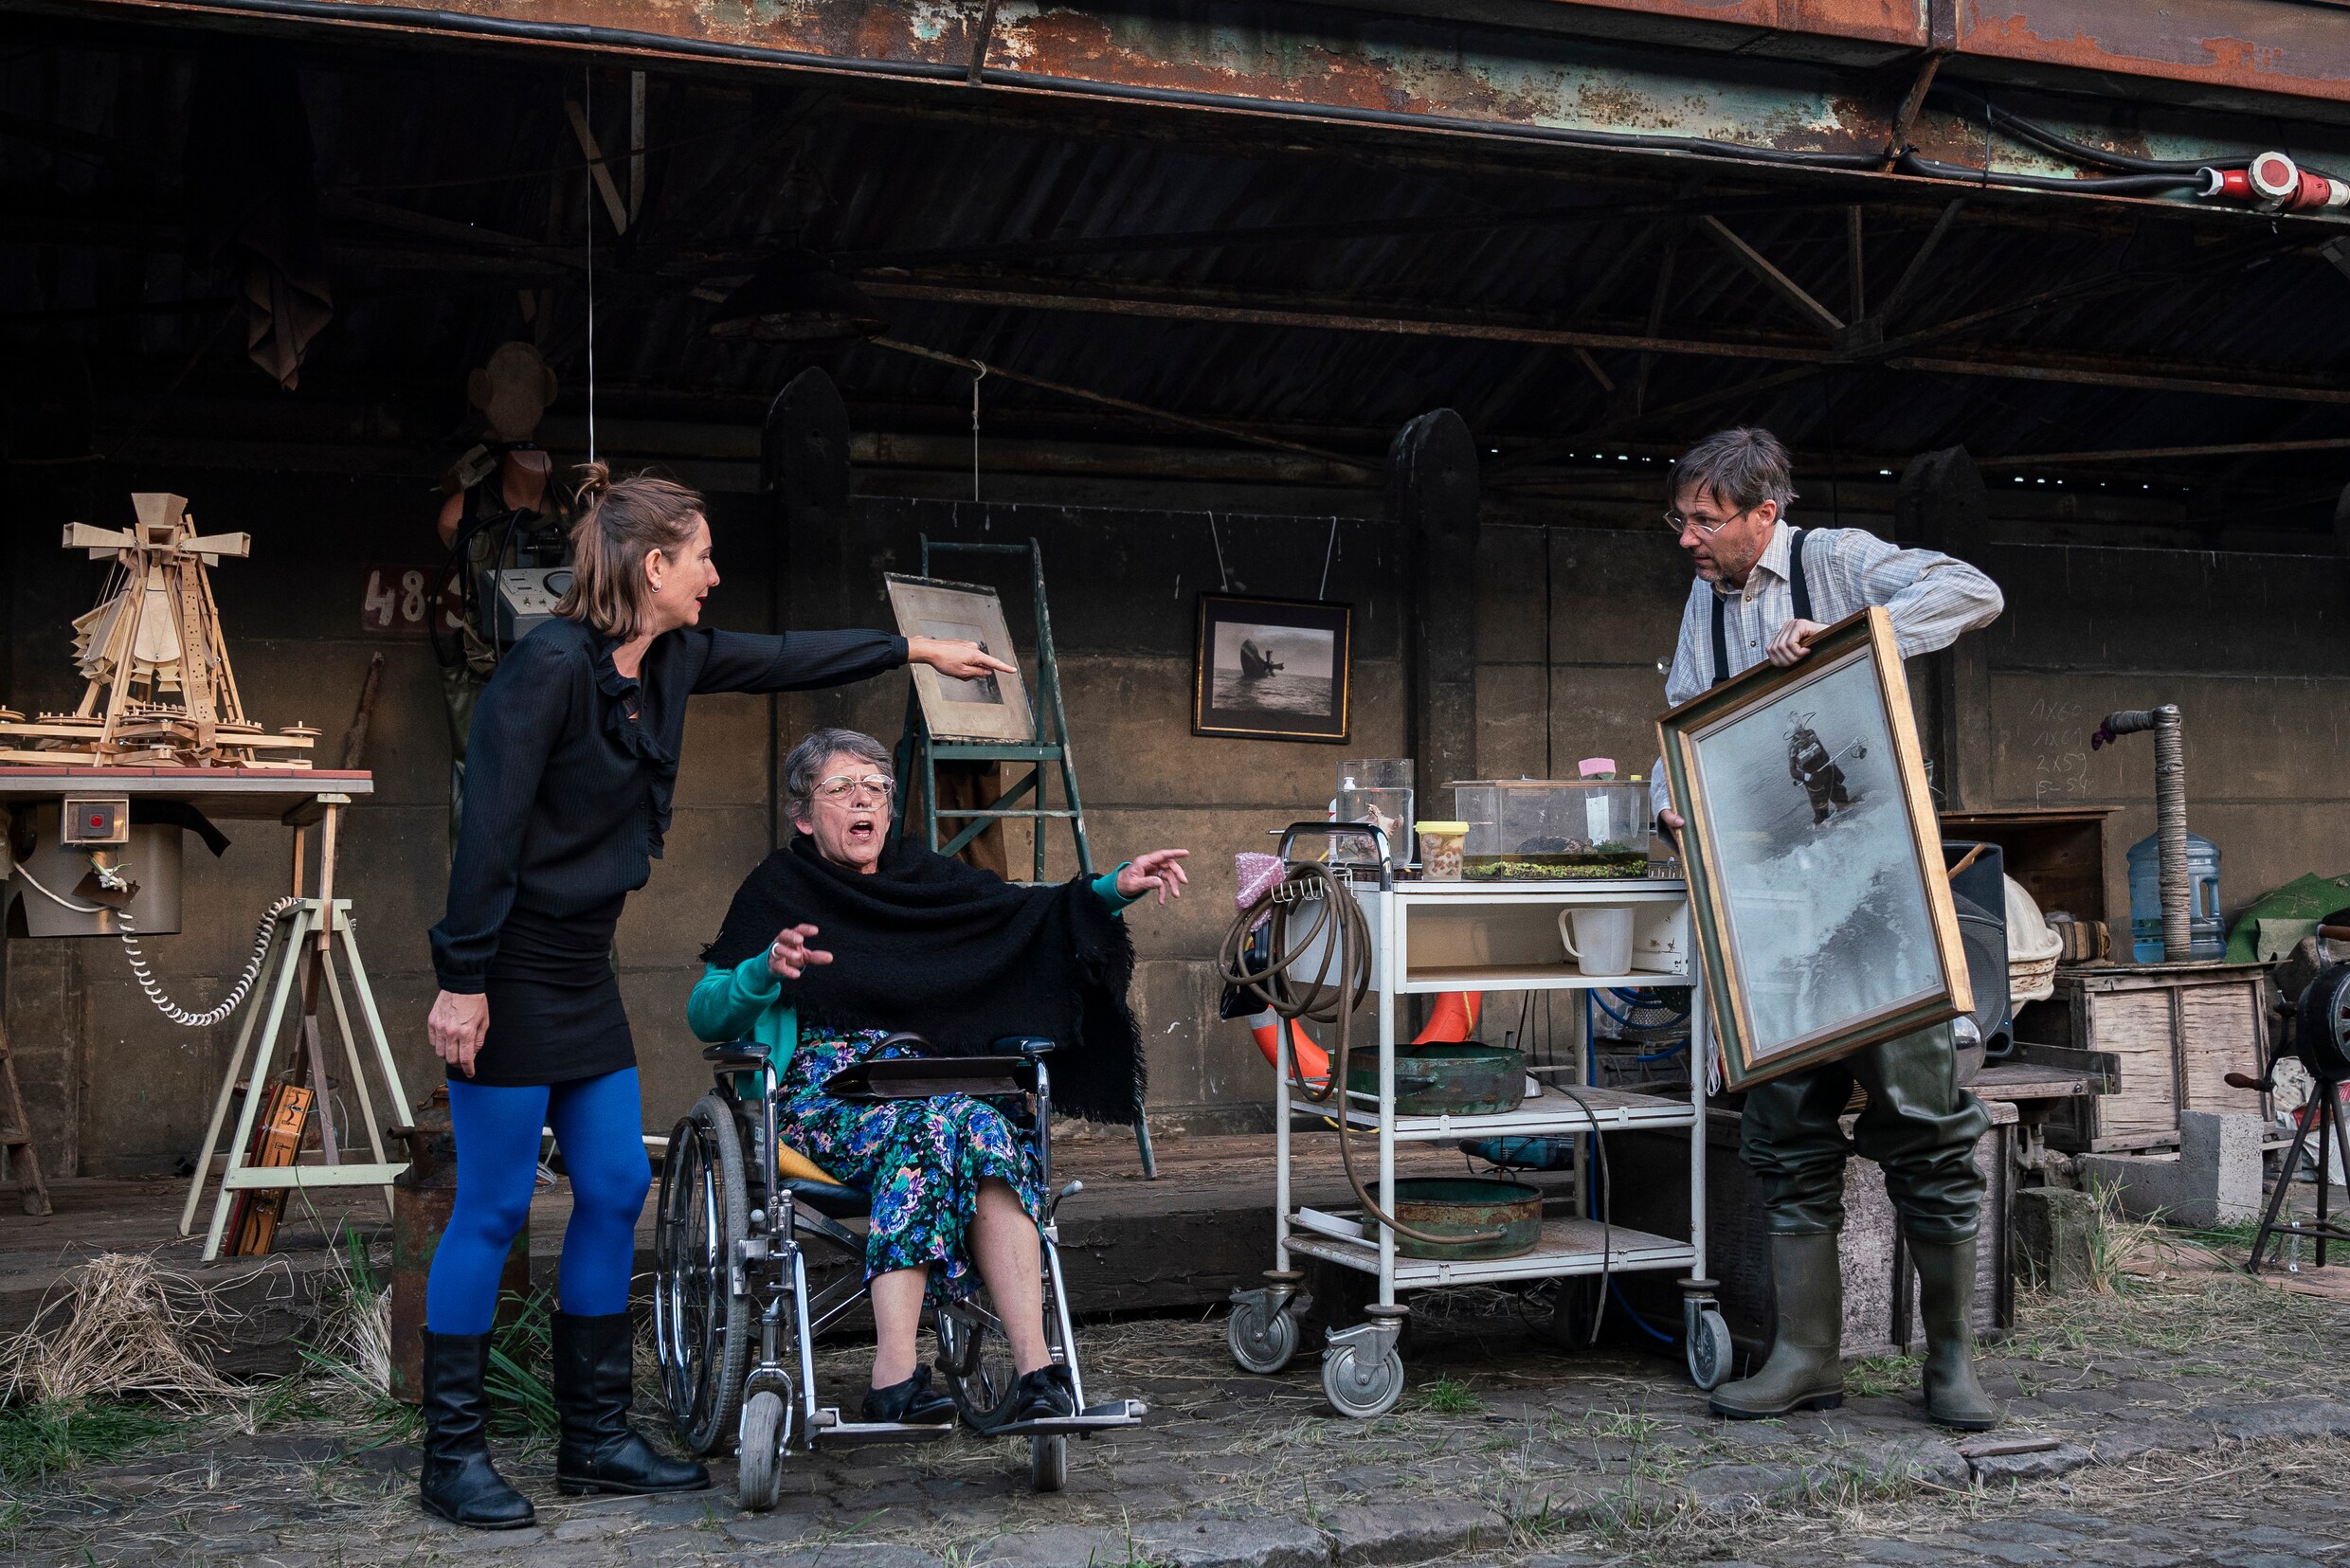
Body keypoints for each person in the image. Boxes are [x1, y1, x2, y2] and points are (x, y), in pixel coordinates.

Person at [420, 469, 1016, 1530]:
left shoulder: (677, 657)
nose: (714, 573)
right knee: (496, 1205)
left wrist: (916, 650)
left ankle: (593, 1438)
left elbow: (788, 654)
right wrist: (462, 979)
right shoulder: (545, 669)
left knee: (611, 1187)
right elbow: (488, 831)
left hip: (583, 972)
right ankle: (451, 1453)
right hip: (507, 971)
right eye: (700, 555)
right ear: (654, 566)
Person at [1649, 427, 2006, 1432]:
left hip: (1879, 899)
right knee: (1783, 1136)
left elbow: (1972, 592)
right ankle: (1805, 1356)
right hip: (1773, 913)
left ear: (1764, 512)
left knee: (1929, 1135)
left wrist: (1848, 630)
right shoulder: (1701, 603)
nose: (1687, 537)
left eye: (1703, 519)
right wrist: (1668, 801)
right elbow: (1682, 718)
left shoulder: (1833, 558)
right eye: (1680, 518)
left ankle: (1949, 1363)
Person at [689, 728, 1188, 1428]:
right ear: (805, 814)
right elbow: (705, 1013)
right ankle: (891, 1371)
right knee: (939, 1125)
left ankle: (1037, 1373)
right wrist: (760, 969)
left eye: (875, 787)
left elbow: (1026, 914)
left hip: (929, 1085)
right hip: (820, 1098)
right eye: (841, 788)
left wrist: (1110, 890)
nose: (863, 799)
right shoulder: (778, 889)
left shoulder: (927, 880)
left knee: (985, 1129)